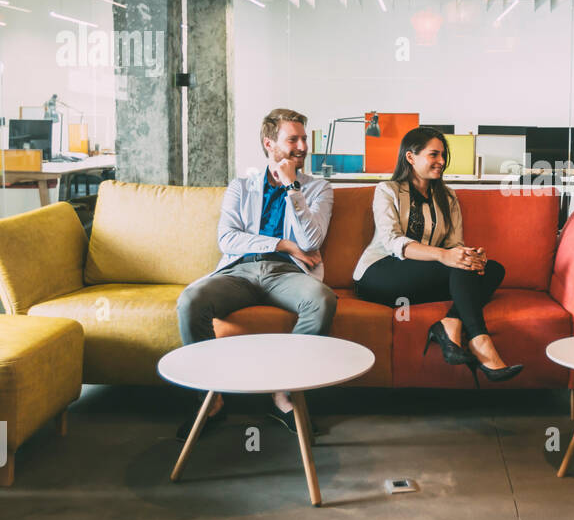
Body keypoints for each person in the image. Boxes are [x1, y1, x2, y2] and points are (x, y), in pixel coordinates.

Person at [174, 108, 336, 439]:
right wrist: (284, 244)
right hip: (240, 270)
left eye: (305, 138)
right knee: (191, 301)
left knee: (322, 301)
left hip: (288, 275)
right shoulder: (241, 186)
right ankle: (213, 397)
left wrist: (293, 187)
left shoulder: (318, 188)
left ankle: (282, 394)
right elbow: (227, 238)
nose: (303, 146)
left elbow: (312, 240)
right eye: (293, 139)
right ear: (269, 144)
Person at [352, 126, 522, 384]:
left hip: (420, 280)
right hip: (380, 274)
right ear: (411, 157)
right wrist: (445, 256)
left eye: (443, 155)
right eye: (434, 155)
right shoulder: (388, 190)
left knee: (491, 268)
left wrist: (468, 255)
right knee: (461, 268)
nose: (441, 161)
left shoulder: (448, 197)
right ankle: (479, 339)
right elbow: (392, 242)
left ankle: (450, 323)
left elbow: (454, 243)